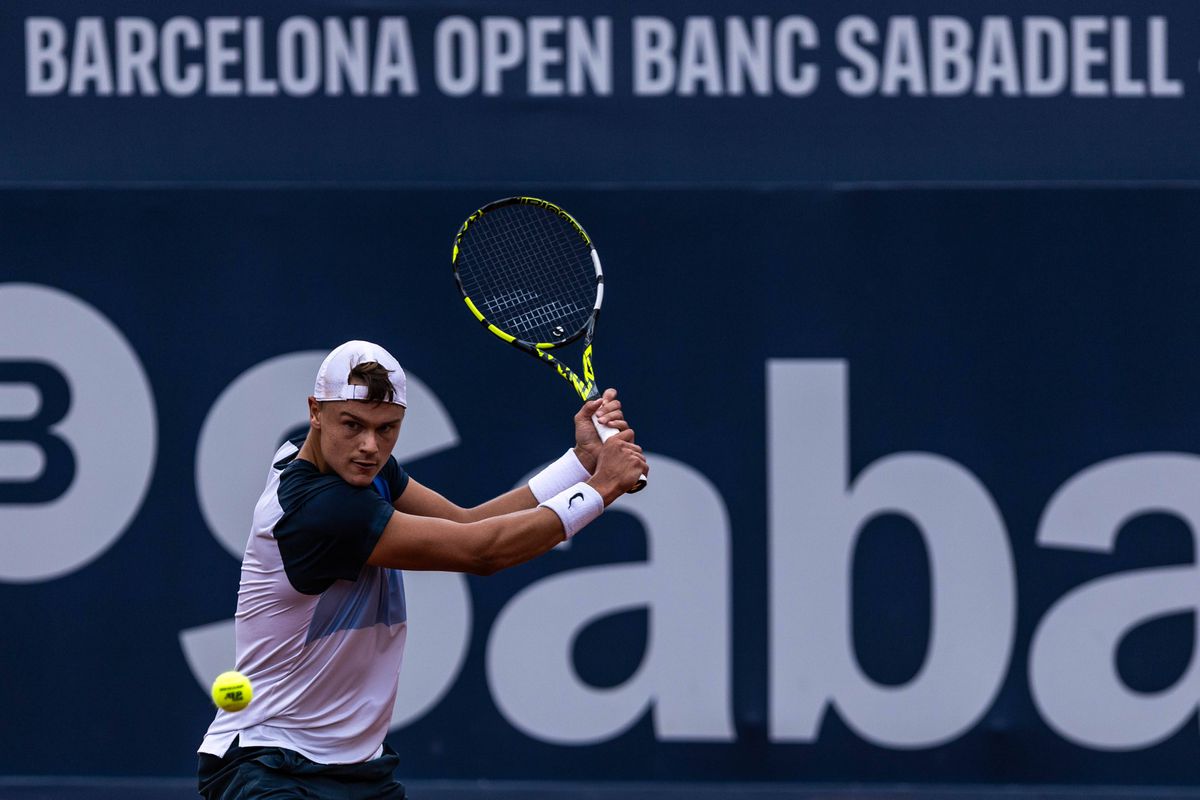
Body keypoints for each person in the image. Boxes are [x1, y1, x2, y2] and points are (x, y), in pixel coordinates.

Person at [197, 340, 647, 799]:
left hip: (359, 771)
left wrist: (580, 462)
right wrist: (602, 488)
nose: (370, 447)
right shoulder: (319, 509)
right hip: (271, 768)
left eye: (387, 429)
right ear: (316, 411)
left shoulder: (356, 468)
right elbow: (482, 552)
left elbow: (469, 522)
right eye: (352, 425)